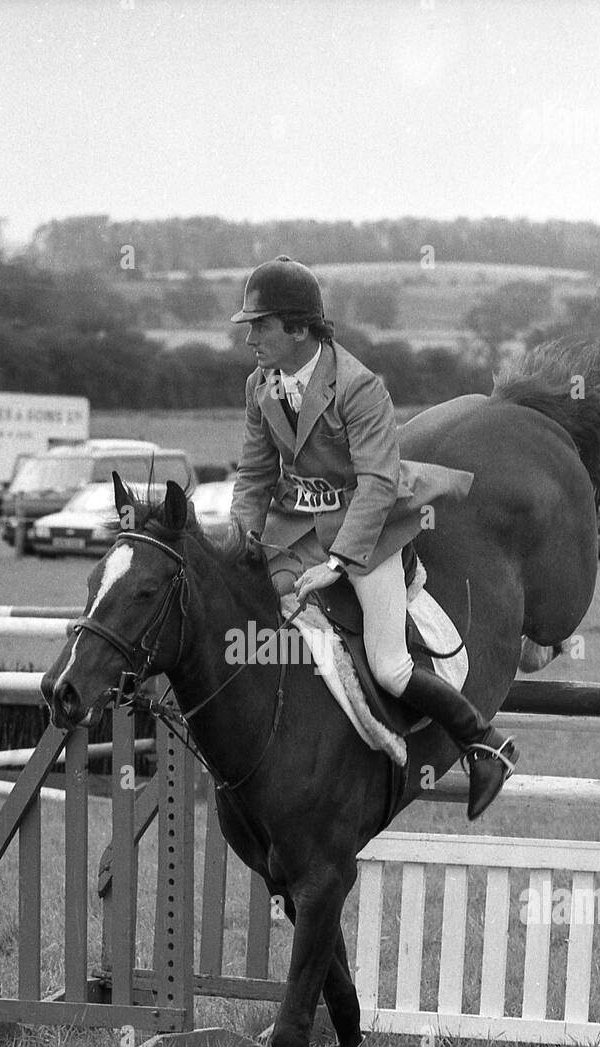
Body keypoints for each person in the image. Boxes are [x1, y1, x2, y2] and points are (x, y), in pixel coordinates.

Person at [229, 255, 517, 820]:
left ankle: (485, 744)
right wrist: (240, 542)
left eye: (259, 326)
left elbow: (378, 482)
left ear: (299, 328)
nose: (250, 340)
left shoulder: (359, 387)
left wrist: (337, 563)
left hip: (370, 528)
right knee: (249, 630)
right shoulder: (260, 386)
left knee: (389, 666)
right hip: (297, 532)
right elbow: (256, 476)